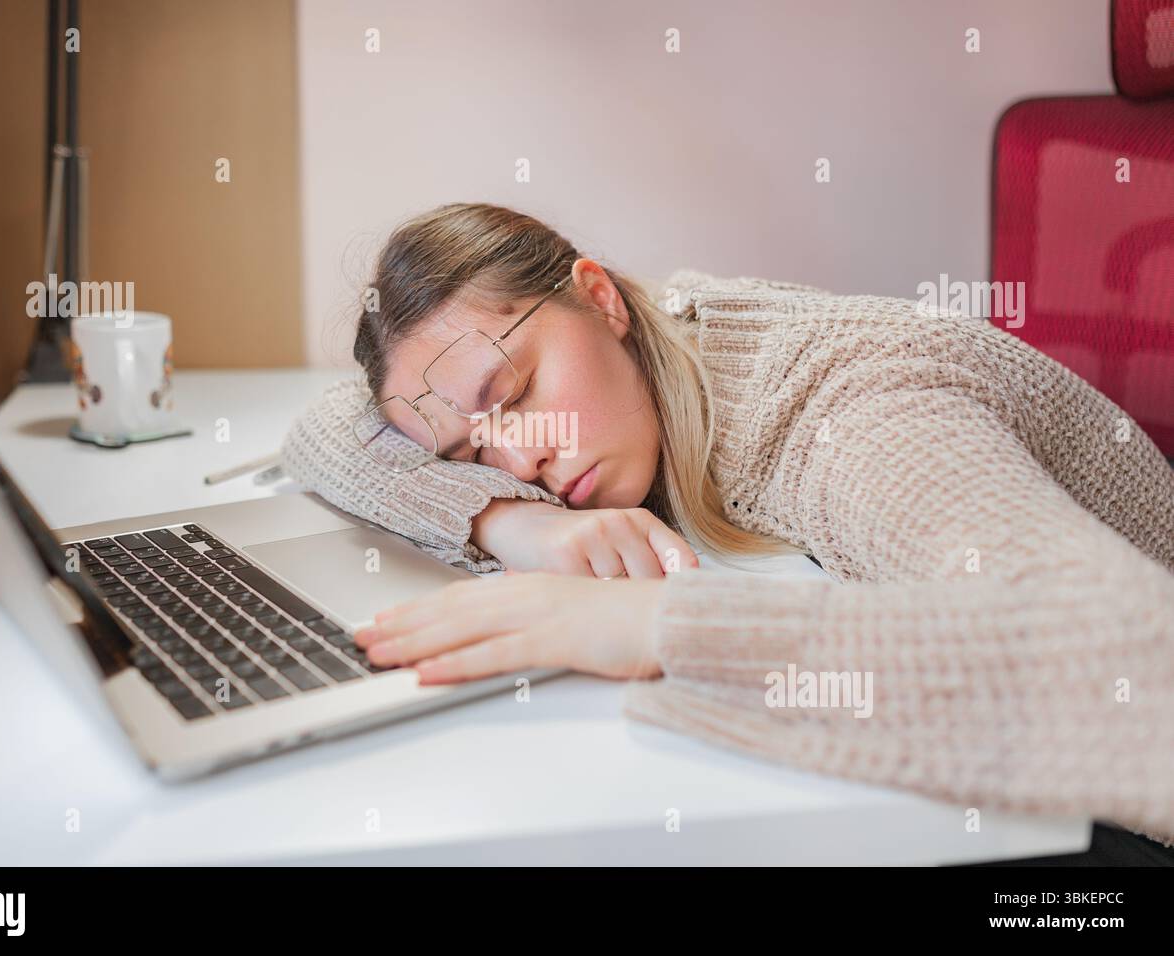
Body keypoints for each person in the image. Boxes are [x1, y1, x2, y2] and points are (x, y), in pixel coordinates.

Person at [280, 202, 1174, 849]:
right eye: (471, 452)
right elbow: (326, 426)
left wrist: (653, 627)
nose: (522, 458)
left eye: (513, 395)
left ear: (599, 297)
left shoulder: (848, 416)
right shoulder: (662, 347)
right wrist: (504, 522)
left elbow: (1130, 658)